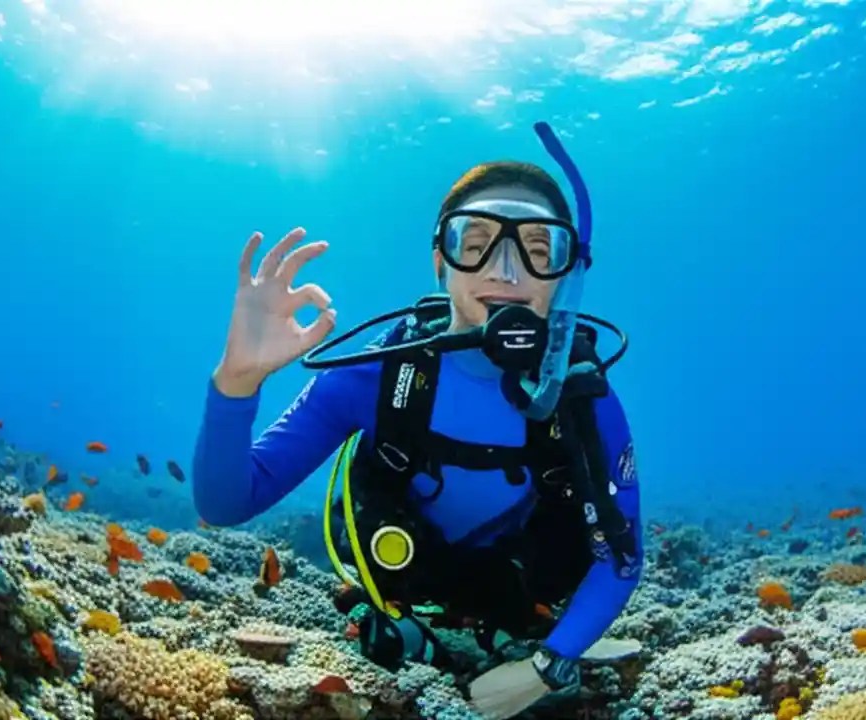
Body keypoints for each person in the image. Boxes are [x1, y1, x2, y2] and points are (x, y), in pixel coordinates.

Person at [192, 123, 643, 719]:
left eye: (538, 251)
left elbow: (622, 557)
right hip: (401, 578)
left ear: (565, 274)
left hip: (522, 593)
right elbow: (226, 503)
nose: (506, 273)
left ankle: (499, 631)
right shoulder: (377, 375)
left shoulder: (584, 400)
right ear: (440, 262)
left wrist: (550, 662)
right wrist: (236, 382)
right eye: (475, 242)